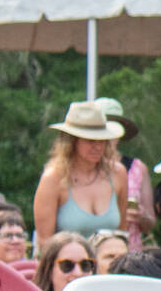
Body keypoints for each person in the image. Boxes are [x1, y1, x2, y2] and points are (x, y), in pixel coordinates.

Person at [32, 101, 130, 241]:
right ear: (72, 141)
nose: (97, 147)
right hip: (68, 261)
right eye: (90, 140)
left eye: (101, 140)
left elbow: (122, 230)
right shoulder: (53, 179)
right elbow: (45, 241)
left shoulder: (118, 173)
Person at [92, 98, 154, 248]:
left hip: (128, 252)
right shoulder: (83, 168)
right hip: (91, 251)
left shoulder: (137, 168)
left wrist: (140, 217)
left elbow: (150, 222)